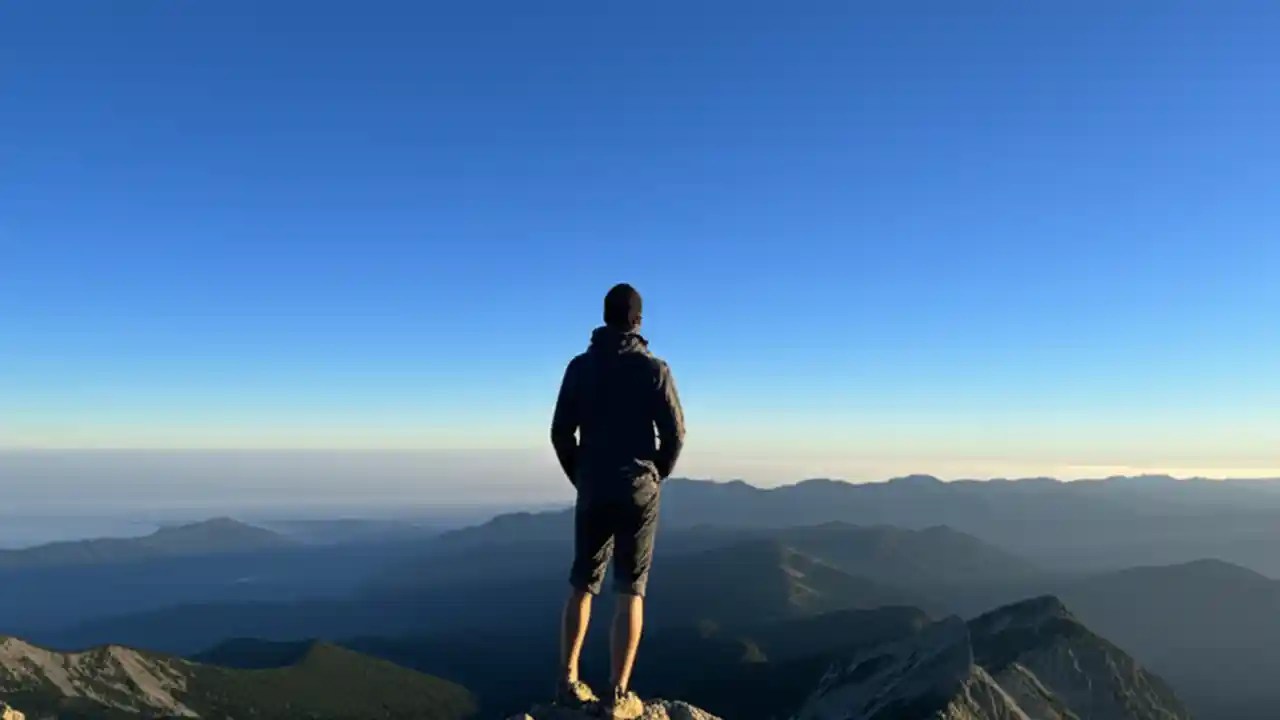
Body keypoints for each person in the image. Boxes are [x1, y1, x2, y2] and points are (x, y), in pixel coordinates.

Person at [550, 283, 686, 719]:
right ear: (638, 321)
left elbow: (560, 432)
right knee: (631, 590)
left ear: (604, 317)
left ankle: (568, 680)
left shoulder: (579, 368)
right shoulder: (654, 370)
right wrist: (656, 473)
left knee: (582, 584)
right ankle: (616, 693)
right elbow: (676, 434)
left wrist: (581, 476)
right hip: (638, 490)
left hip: (593, 486)